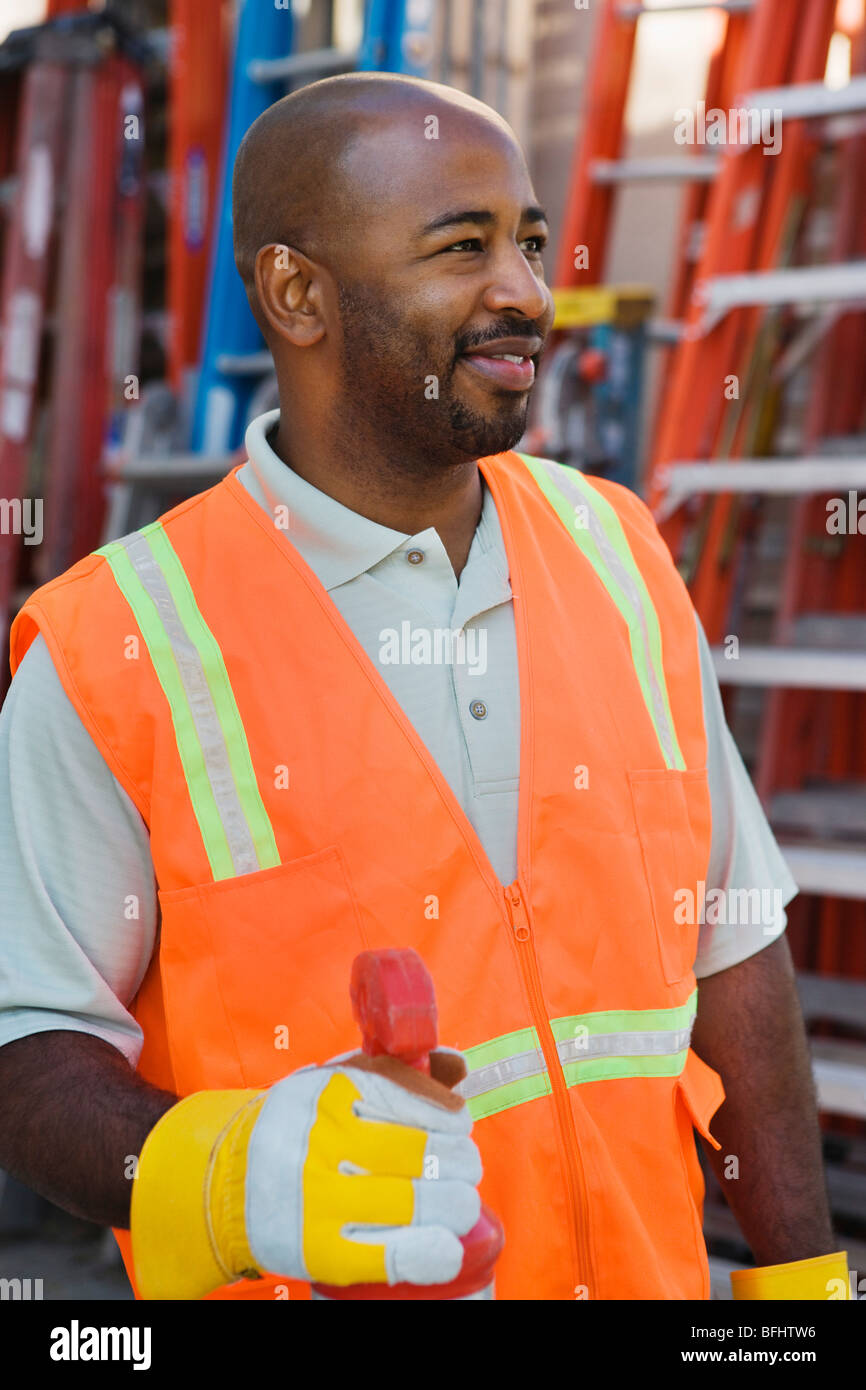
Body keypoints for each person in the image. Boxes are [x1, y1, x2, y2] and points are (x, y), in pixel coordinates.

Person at [0, 73, 846, 1301]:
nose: (526, 293)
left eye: (530, 242)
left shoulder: (617, 552)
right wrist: (228, 1176)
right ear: (298, 295)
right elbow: (29, 1040)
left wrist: (801, 1287)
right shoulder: (117, 643)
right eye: (464, 248)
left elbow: (736, 949)